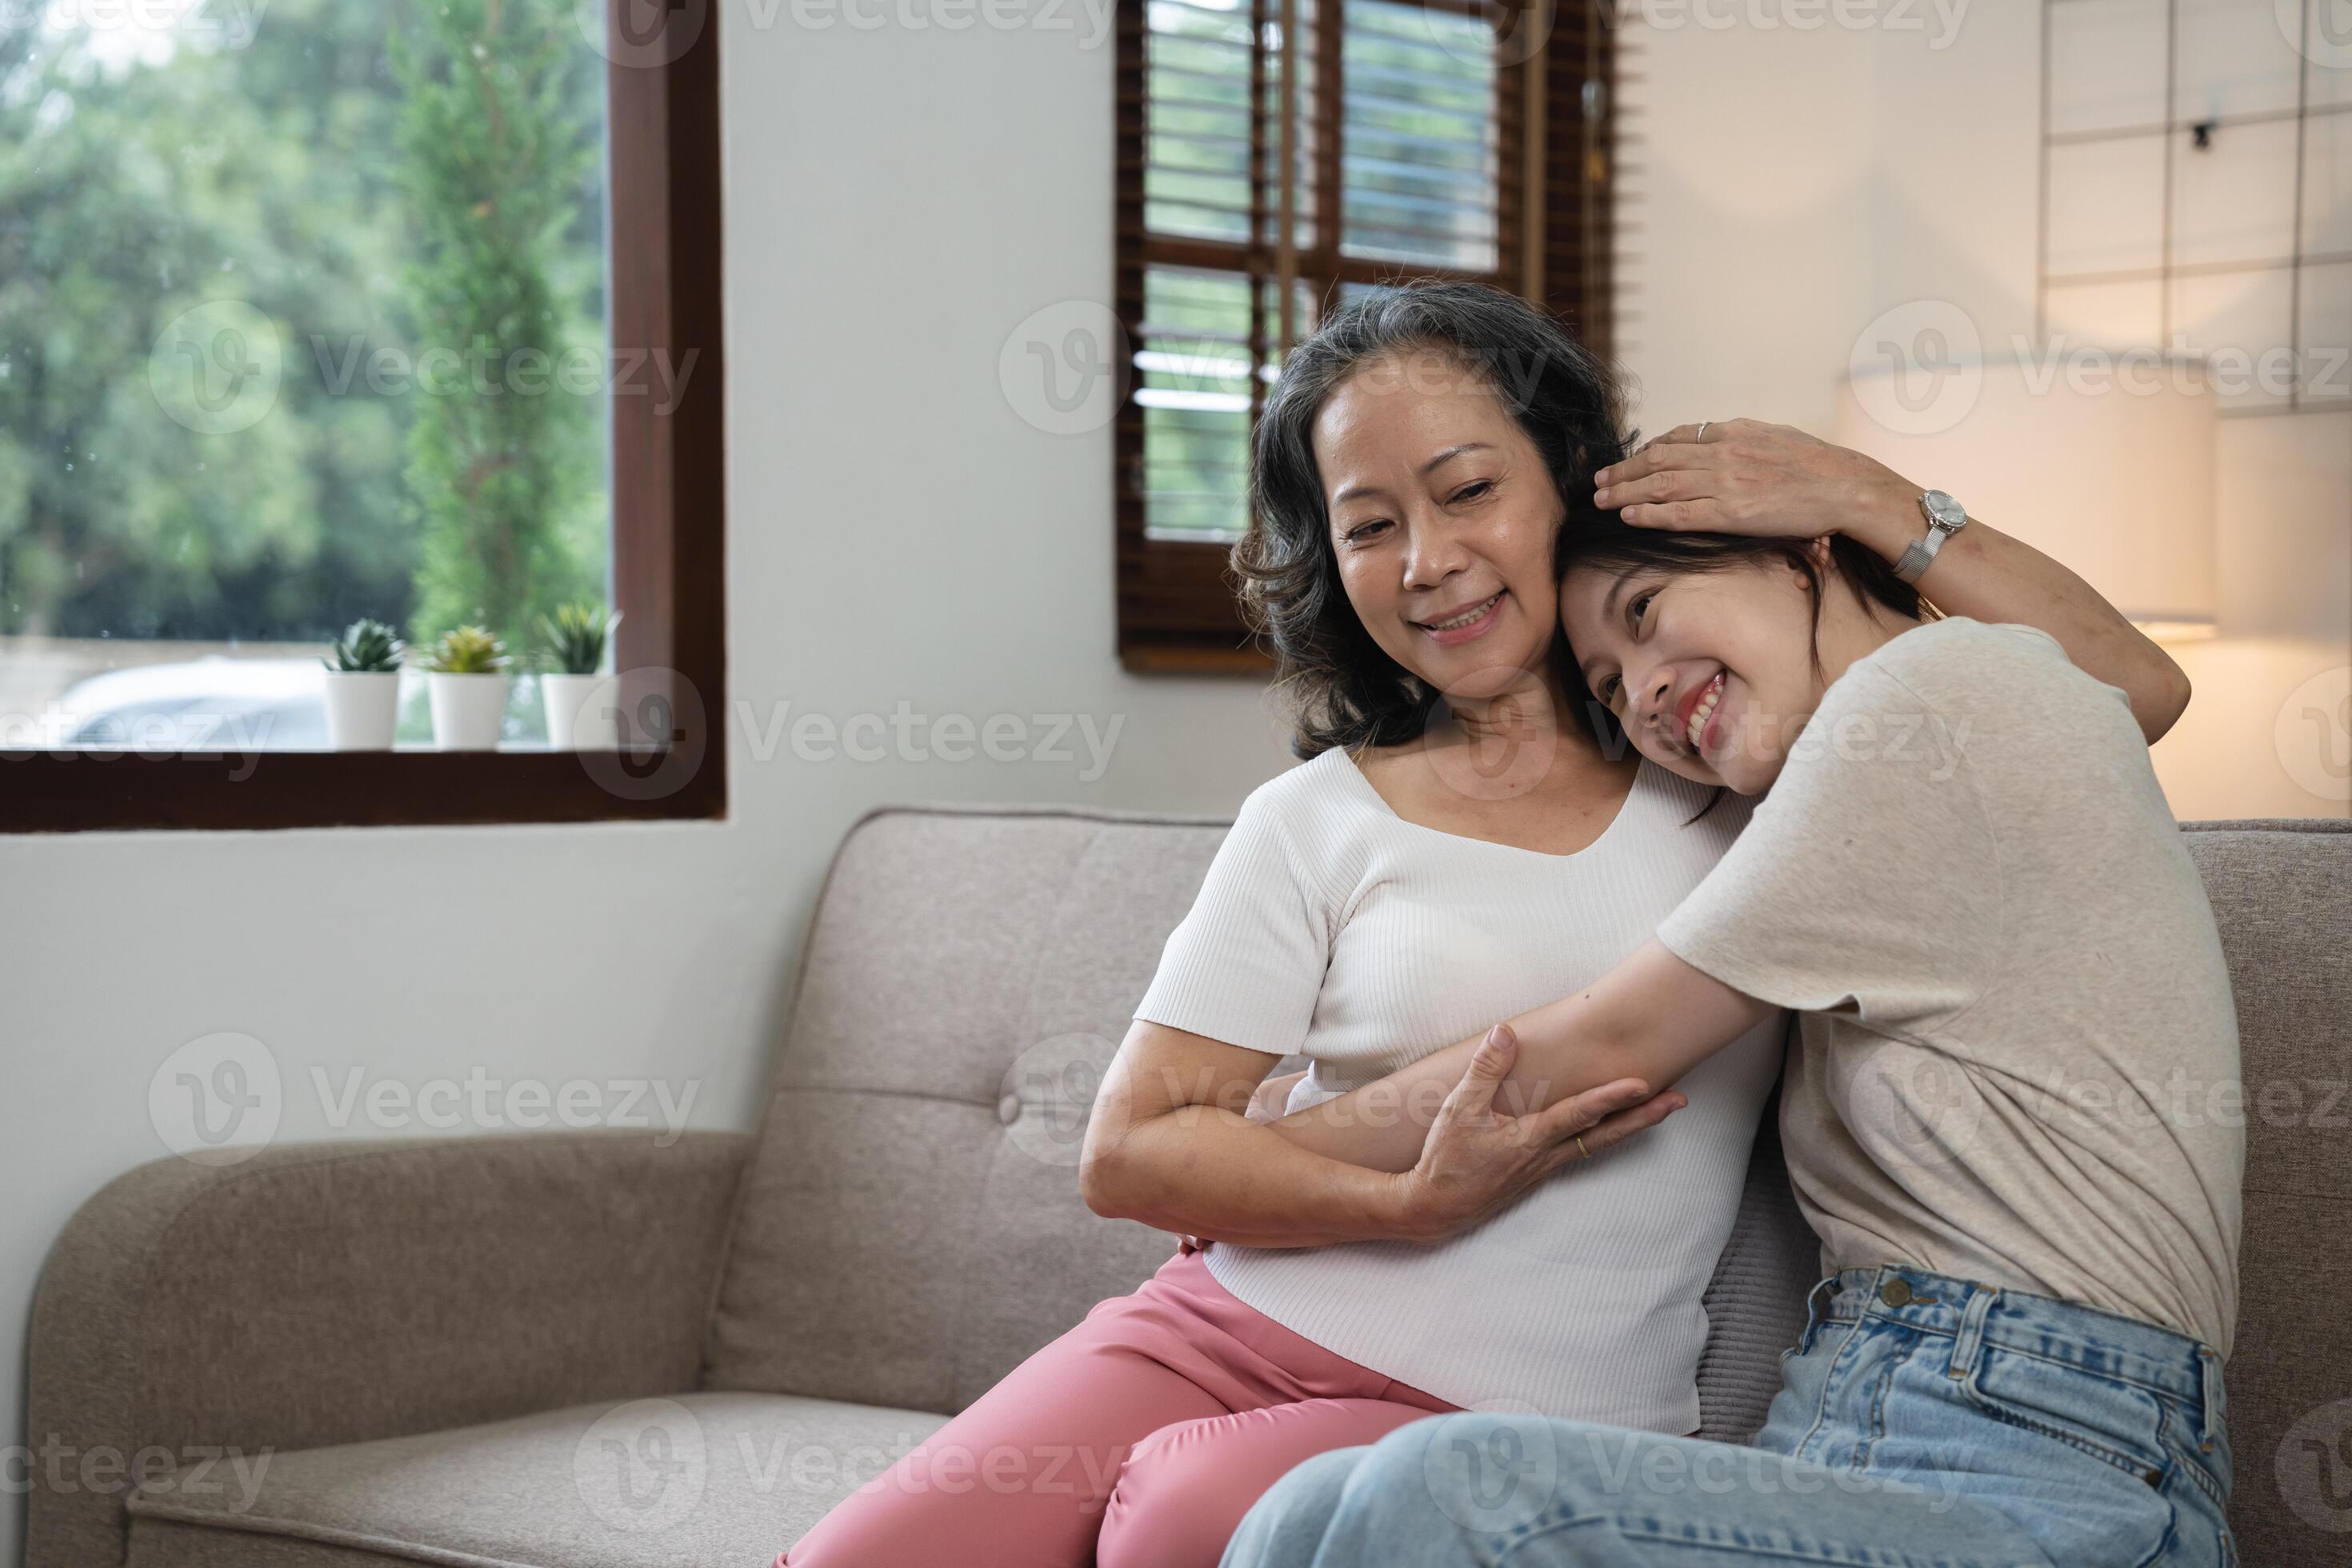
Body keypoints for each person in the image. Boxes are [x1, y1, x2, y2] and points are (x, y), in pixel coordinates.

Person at [773, 283, 2195, 1568]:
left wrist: (1872, 498)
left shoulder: (1754, 770)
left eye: (1466, 492)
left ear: (1568, 484)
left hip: (1535, 1406)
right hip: (1234, 1323)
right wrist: (1385, 1196)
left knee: (1184, 1517)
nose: (1428, 560)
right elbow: (1133, 1153)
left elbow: (2106, 696)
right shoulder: (1317, 819)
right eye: (1371, 526)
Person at [1220, 452, 2242, 1566]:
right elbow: (2132, 690)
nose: (1645, 690)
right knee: (1301, 1512)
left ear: (1799, 556)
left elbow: (1606, 1041)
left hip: (2060, 1461)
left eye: (1648, 612)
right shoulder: (1909, 751)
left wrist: (1249, 1159)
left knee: (1445, 1492)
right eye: (1609, 687)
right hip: (1850, 1434)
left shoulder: (1924, 700)